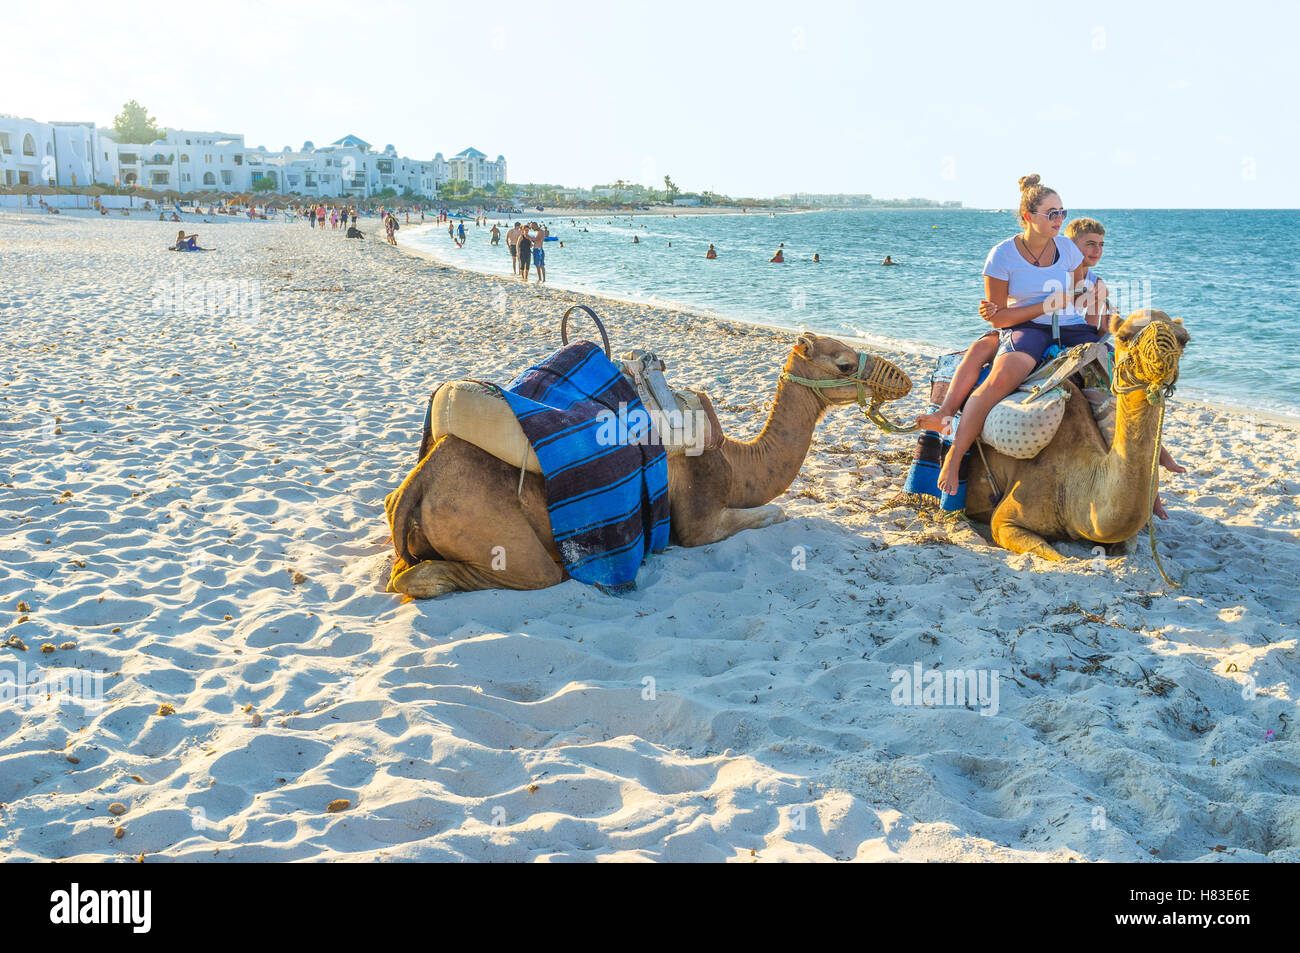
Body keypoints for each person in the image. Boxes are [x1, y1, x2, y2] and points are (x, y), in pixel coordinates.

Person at [931, 174, 1097, 496]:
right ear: (1028, 217)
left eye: (1062, 212)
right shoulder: (1002, 255)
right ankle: (954, 456)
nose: (1059, 220)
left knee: (1119, 371)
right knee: (1000, 380)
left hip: (1070, 325)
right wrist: (1045, 305)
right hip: (1027, 328)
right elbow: (999, 318)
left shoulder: (1067, 249)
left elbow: (1078, 285)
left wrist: (1083, 298)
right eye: (1052, 214)